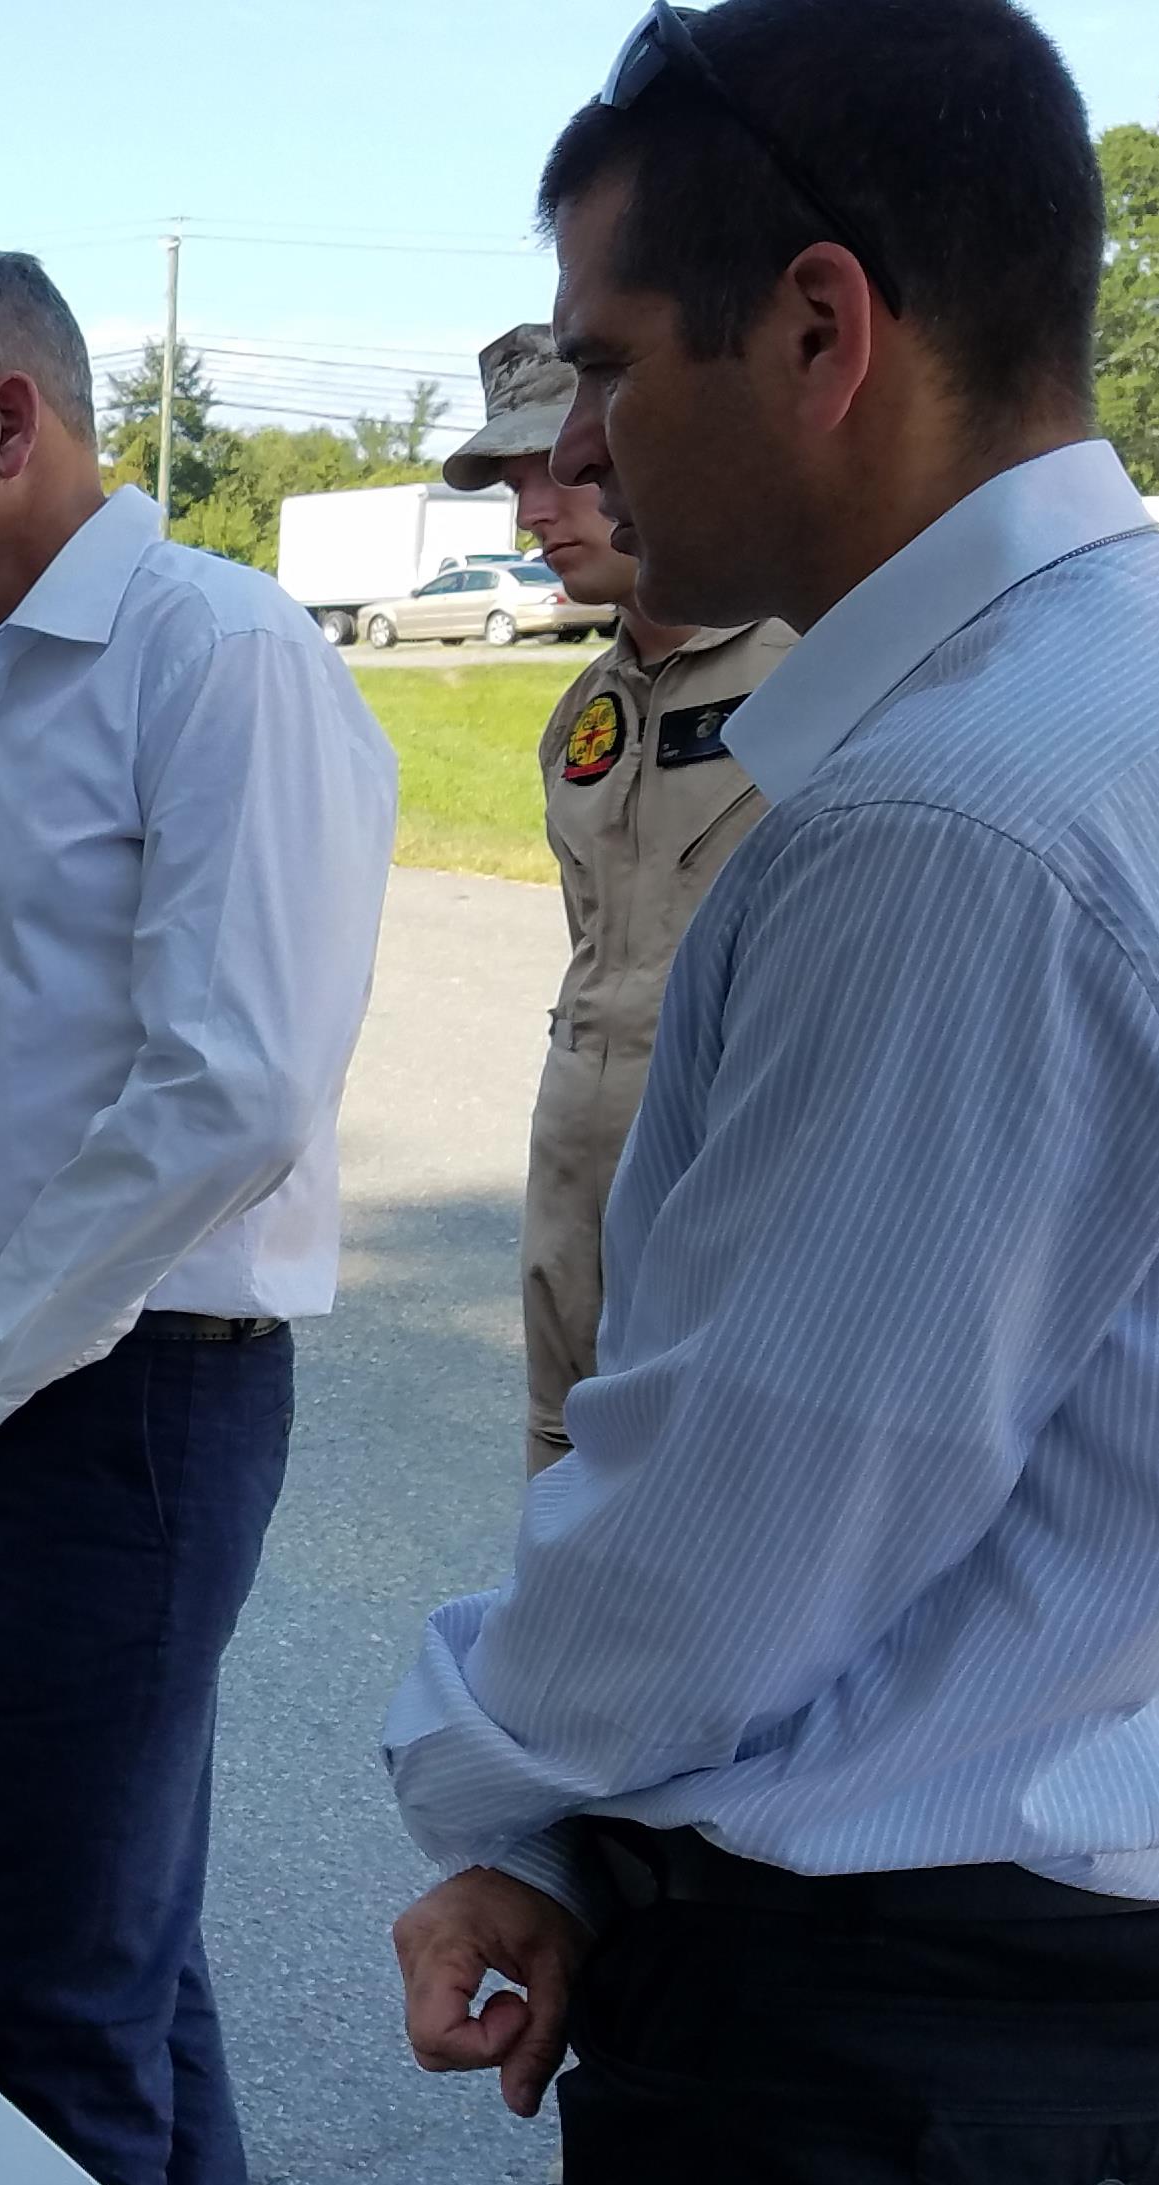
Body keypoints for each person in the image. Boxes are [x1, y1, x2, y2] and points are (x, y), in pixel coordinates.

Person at [385, 4, 1159, 2185]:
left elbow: (746, 1514)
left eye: (611, 363)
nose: (589, 444)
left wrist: (492, 1782)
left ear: (820, 327)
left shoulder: (966, 814)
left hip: (912, 2035)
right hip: (1143, 1941)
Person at [0, 248, 397, 2185]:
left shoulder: (218, 658)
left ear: (12, 418)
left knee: (48, 2000)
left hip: (121, 1412)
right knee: (109, 1947)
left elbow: (230, 1094)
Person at [439, 322, 789, 1472]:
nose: (538, 509)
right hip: (576, 1198)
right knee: (564, 1482)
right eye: (514, 483)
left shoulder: (811, 672)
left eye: (556, 463)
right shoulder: (587, 715)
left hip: (735, 1197)